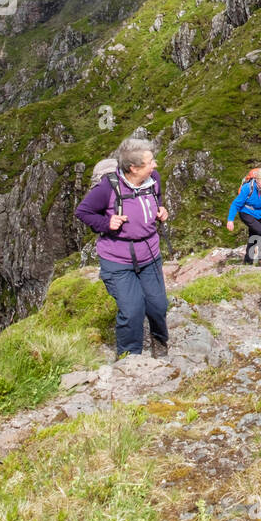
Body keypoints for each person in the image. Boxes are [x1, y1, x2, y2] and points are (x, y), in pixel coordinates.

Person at [75, 137, 170, 358]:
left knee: (158, 305)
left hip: (150, 255)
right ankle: (129, 359)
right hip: (117, 260)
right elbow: (83, 212)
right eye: (150, 162)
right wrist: (106, 224)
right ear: (133, 168)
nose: (155, 165)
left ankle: (159, 341)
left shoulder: (153, 179)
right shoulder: (108, 188)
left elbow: (157, 198)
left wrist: (161, 210)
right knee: (132, 310)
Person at [226, 167, 261, 264]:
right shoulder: (248, 188)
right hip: (245, 212)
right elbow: (236, 204)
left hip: (257, 214)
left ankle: (248, 261)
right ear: (256, 180)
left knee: (254, 236)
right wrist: (230, 220)